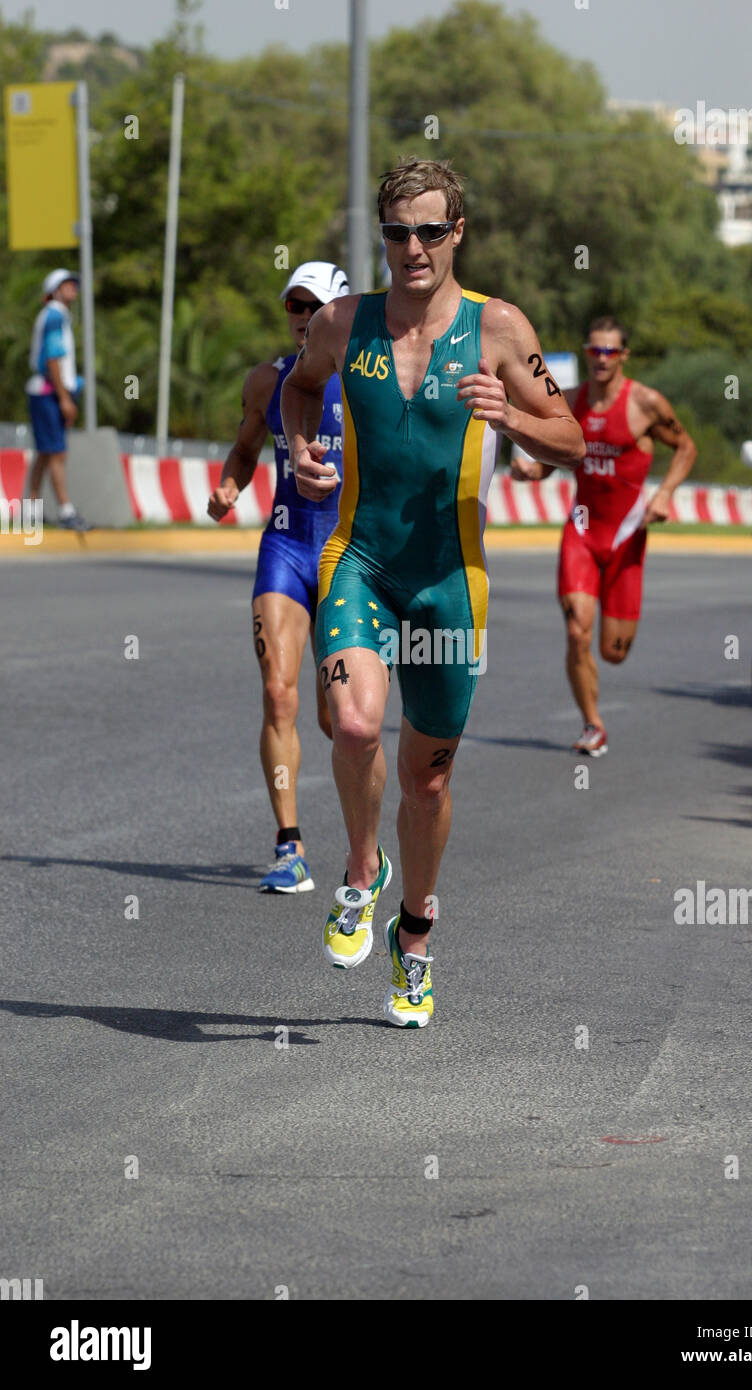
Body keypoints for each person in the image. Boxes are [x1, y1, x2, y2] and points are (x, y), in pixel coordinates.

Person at [281, 158, 585, 1027]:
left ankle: (414, 934)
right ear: (380, 237)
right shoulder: (343, 322)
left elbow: (571, 437)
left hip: (452, 578)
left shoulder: (500, 329)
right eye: (395, 233)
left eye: (429, 232)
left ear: (458, 233)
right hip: (360, 558)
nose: (411, 248)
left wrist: (513, 416)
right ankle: (360, 867)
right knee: (353, 723)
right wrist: (303, 449)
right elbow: (301, 393)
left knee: (429, 781)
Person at [207, 262, 350, 892]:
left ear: (338, 313)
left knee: (338, 717)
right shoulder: (268, 380)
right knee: (277, 693)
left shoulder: (369, 380)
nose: (301, 316)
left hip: (348, 554)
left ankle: (365, 841)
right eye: (293, 305)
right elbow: (244, 446)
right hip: (287, 546)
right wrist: (230, 485)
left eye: (313, 306)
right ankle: (289, 845)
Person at [512, 316, 696, 757]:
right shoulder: (570, 401)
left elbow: (686, 447)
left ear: (624, 356)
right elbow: (554, 455)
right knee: (577, 631)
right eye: (594, 350)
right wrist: (531, 470)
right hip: (581, 530)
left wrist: (665, 493)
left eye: (610, 351)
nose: (601, 358)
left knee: (613, 651)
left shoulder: (646, 404)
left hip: (627, 537)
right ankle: (593, 724)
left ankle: (603, 675)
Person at [25, 269, 90, 531]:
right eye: (67, 284)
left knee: (45, 452)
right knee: (56, 452)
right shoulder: (54, 315)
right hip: (50, 393)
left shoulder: (56, 314)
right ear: (54, 290)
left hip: (48, 392)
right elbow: (52, 358)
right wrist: (64, 398)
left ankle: (30, 509)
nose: (74, 287)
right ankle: (66, 511)